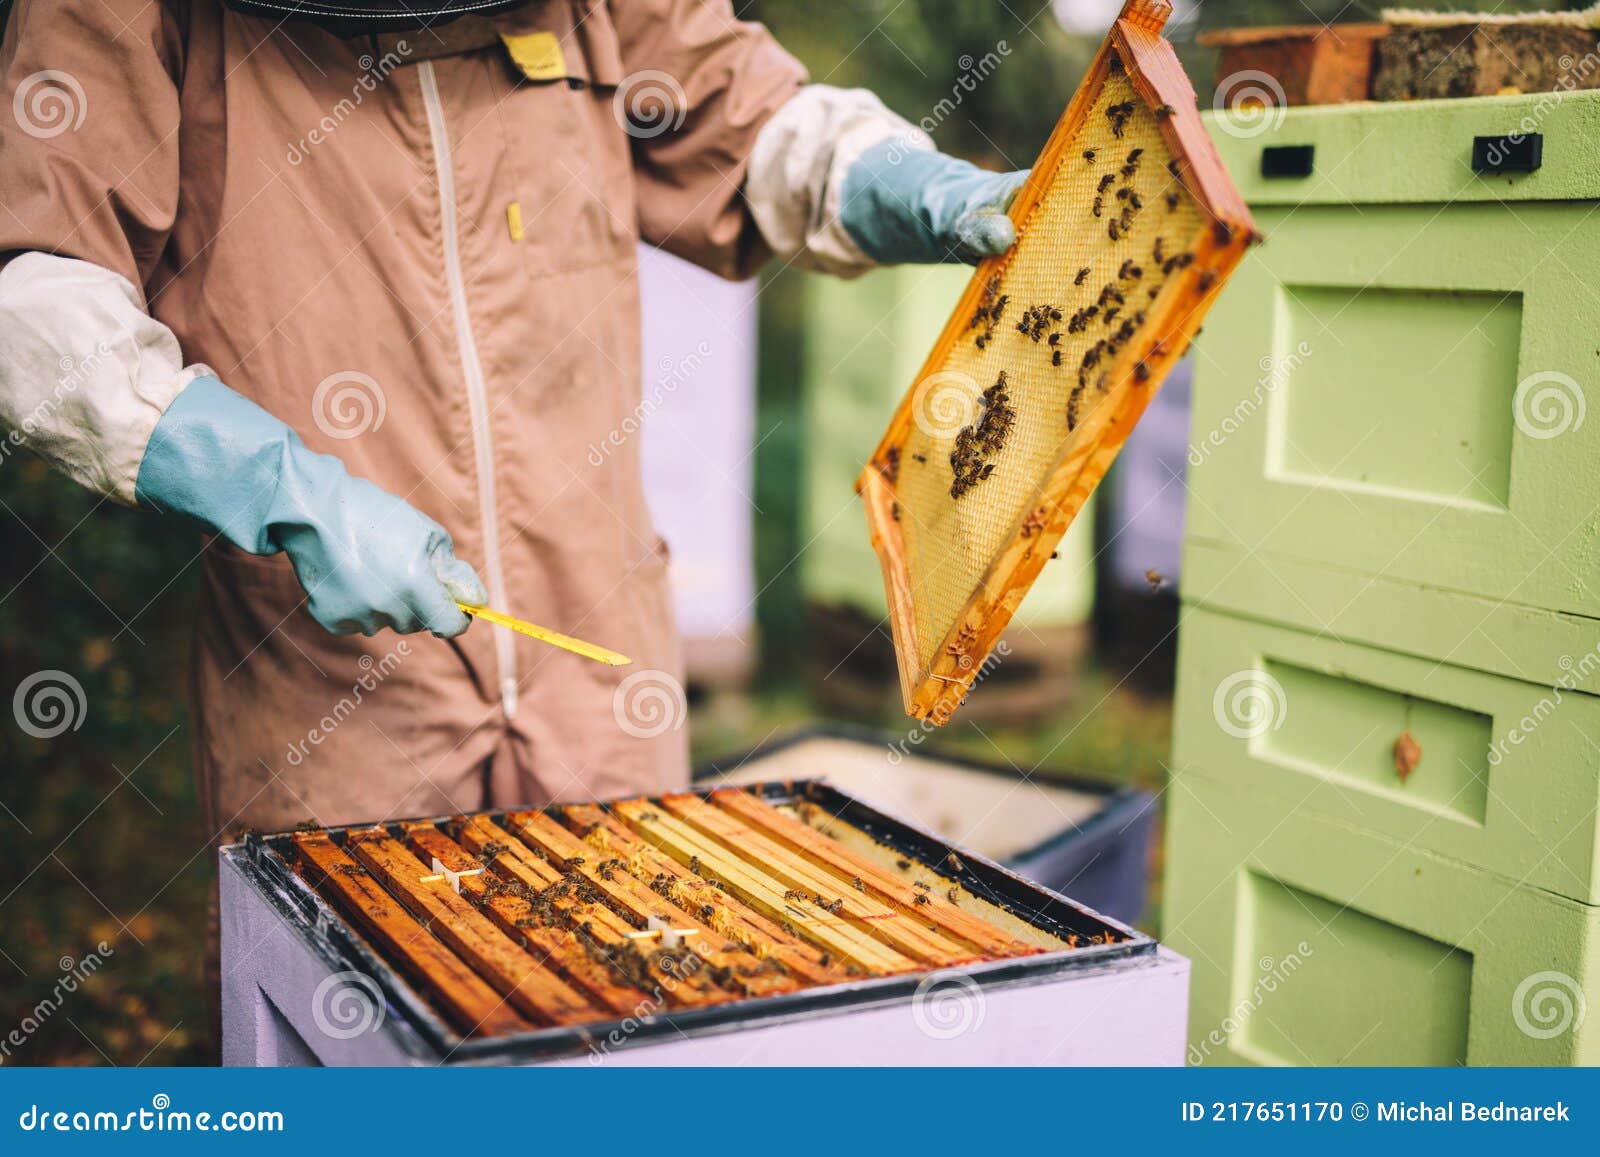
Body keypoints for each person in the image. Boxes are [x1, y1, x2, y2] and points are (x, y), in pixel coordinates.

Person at [0, 0, 1025, 837]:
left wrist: (901, 179)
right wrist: (273, 487)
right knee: (363, 1049)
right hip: (335, 687)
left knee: (629, 1025)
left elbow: (744, 120)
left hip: (600, 649)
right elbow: (36, 300)